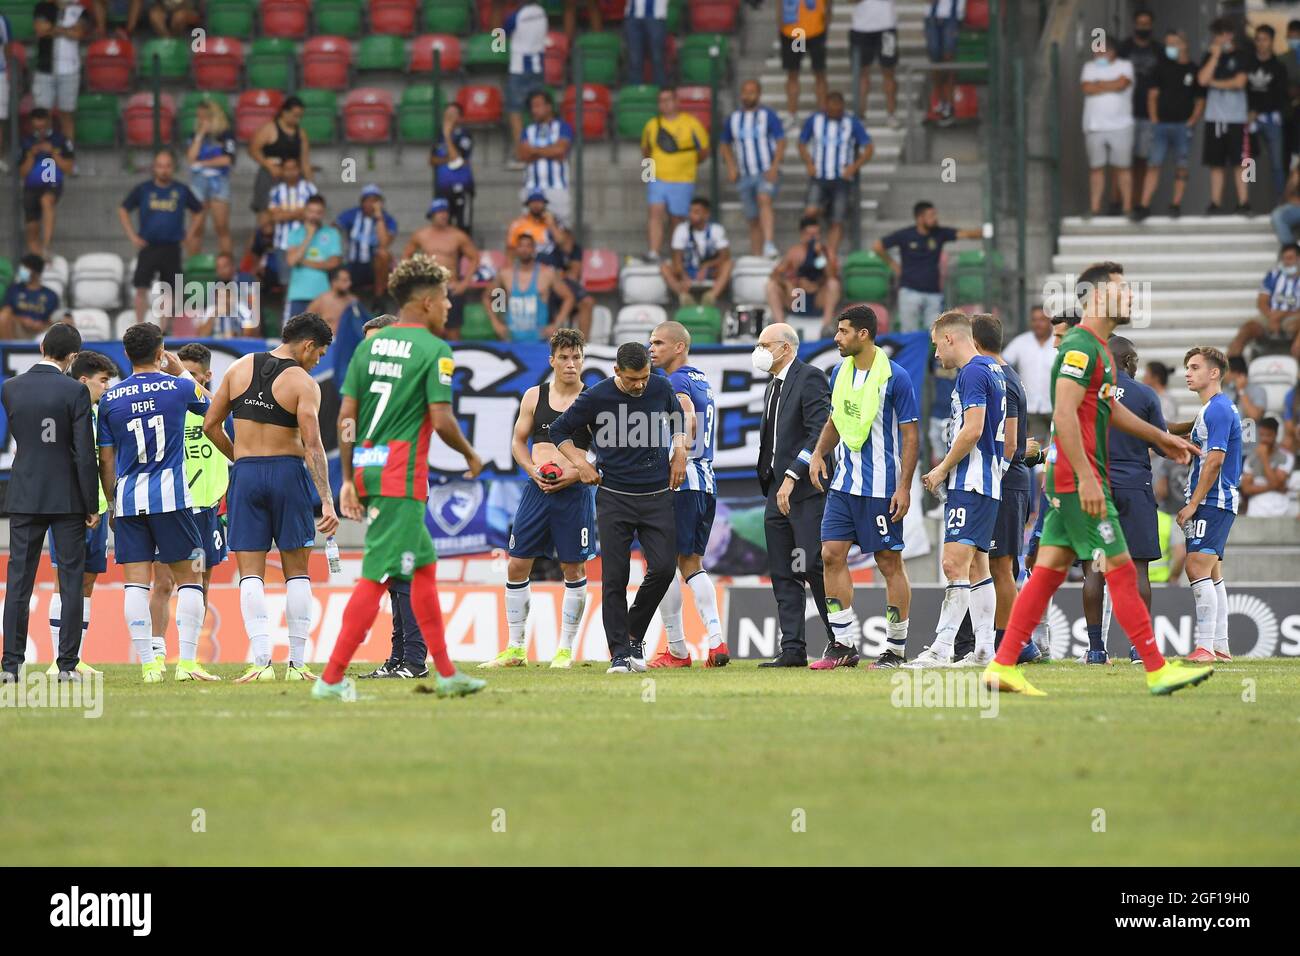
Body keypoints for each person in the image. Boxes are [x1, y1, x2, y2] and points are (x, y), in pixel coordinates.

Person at [984, 261, 1210, 697]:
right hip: (1078, 481)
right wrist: (1088, 480)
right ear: (1101, 297)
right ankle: (1156, 668)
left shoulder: (1100, 352)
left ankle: (1003, 664)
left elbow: (1113, 411)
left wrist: (1164, 437)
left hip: (1076, 480)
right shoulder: (1081, 350)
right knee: (1122, 569)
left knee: (1048, 573)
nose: (1130, 298)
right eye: (1124, 291)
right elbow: (1064, 414)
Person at [317, 255, 487, 700]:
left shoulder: (366, 348)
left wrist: (352, 475)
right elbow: (442, 417)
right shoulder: (435, 351)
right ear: (428, 302)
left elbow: (346, 417)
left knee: (424, 569)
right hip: (402, 473)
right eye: (447, 298)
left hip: (370, 466)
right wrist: (470, 454)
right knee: (377, 576)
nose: (450, 305)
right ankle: (331, 678)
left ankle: (447, 673)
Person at [202, 312, 339, 683]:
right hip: (287, 474)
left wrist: (240, 460)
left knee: (250, 573)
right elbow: (313, 446)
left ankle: (261, 662)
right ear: (307, 345)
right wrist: (327, 500)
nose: (318, 361)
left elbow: (209, 425)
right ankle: (296, 664)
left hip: (246, 475)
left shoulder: (239, 369)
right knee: (297, 572)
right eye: (320, 354)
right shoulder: (303, 383)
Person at [548, 342, 688, 673]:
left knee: (665, 568)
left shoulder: (660, 385)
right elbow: (559, 430)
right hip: (614, 497)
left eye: (643, 377)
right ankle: (619, 654)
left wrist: (680, 451)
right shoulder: (597, 396)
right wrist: (580, 463)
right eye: (632, 379)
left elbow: (678, 417)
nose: (640, 384)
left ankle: (632, 631)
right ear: (616, 372)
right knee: (615, 578)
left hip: (657, 496)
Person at [96, 324, 211, 683]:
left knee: (135, 583)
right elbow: (214, 405)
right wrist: (177, 370)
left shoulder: (110, 399)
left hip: (129, 500)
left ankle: (149, 666)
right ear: (161, 351)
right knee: (191, 578)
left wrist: (113, 502)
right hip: (173, 497)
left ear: (126, 355)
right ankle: (188, 663)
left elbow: (106, 459)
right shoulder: (178, 386)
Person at [806, 305, 918, 669]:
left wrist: (904, 488)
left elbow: (910, 436)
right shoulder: (840, 371)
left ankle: (895, 651)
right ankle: (843, 645)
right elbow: (836, 418)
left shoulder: (896, 377)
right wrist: (820, 453)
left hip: (882, 488)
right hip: (844, 484)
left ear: (863, 334)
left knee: (888, 563)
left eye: (842, 331)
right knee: (829, 555)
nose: (836, 338)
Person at [482, 328, 596, 669]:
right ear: (552, 360)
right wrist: (533, 470)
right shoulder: (534, 395)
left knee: (572, 566)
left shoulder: (593, 400)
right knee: (517, 563)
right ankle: (515, 649)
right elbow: (518, 442)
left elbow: (605, 454)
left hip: (574, 492)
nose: (571, 364)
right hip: (537, 489)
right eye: (564, 357)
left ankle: (564, 649)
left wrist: (573, 475)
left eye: (576, 357)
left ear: (583, 360)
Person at [907, 311, 1005, 668]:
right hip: (986, 481)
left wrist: (941, 468)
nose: (936, 355)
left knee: (953, 564)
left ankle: (942, 647)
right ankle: (983, 650)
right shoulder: (992, 369)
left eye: (936, 345)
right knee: (978, 567)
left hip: (971, 480)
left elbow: (973, 429)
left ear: (950, 338)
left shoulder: (974, 373)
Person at [1, 324, 98, 683]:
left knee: (19, 581)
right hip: (67, 497)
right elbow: (84, 454)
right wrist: (91, 503)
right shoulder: (76, 391)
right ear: (73, 357)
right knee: (70, 579)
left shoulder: (9, 388)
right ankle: (66, 665)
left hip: (25, 492)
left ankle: (11, 665)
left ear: (42, 346)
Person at [350, 315, 433, 679]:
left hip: (406, 487)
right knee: (394, 573)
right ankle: (400, 657)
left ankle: (414, 660)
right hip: (383, 489)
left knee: (404, 574)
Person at [951, 314, 1034, 666]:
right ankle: (1000, 643)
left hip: (1002, 482)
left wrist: (988, 476)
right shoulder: (1006, 375)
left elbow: (1011, 445)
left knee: (1000, 567)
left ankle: (1008, 645)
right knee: (989, 565)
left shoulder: (1000, 380)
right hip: (1008, 482)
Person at [1079, 335, 1166, 665]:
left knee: (1096, 569)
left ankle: (1095, 649)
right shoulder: (1145, 394)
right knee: (1138, 568)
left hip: (1097, 487)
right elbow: (1160, 444)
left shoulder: (1088, 394)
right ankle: (1138, 648)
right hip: (1134, 486)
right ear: (1129, 361)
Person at [647, 321, 729, 668]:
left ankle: (678, 650)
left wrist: (676, 450)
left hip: (681, 480)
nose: (651, 349)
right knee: (691, 563)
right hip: (705, 481)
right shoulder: (701, 380)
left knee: (660, 564)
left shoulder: (676, 380)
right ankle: (715, 642)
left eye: (659, 343)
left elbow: (688, 417)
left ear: (679, 347)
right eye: (650, 343)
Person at [752, 322, 833, 667]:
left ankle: (840, 640)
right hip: (775, 491)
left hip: (804, 490)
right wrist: (775, 481)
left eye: (763, 344)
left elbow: (819, 433)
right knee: (783, 571)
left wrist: (791, 475)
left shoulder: (810, 377)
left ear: (785, 347)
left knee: (814, 564)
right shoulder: (773, 386)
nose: (758, 351)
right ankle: (793, 650)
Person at [147, 343, 229, 682]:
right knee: (163, 583)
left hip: (208, 509)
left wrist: (182, 375)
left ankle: (189, 657)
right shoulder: (168, 407)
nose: (186, 381)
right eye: (182, 373)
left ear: (208, 376)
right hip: (170, 504)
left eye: (195, 375)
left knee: (202, 582)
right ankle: (155, 655)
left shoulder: (216, 408)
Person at [44, 350, 116, 677]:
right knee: (64, 580)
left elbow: (104, 461)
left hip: (96, 508)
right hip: (68, 508)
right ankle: (56, 658)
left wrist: (105, 504)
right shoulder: (60, 411)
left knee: (87, 582)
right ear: (84, 380)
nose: (106, 388)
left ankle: (77, 657)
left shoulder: (101, 413)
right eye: (102, 381)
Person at [1172, 346, 1242, 665]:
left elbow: (1214, 462)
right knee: (1212, 572)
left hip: (1215, 499)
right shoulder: (1213, 409)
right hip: (1216, 498)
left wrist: (1193, 504)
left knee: (1196, 565)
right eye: (1188, 367)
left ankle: (1205, 646)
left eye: (1195, 367)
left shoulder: (1217, 409)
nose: (1188, 372)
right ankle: (1220, 644)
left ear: (1214, 373)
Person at [118, 150, 203, 324]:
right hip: (148, 246)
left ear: (172, 168)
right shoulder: (144, 189)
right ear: (154, 168)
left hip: (171, 246)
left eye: (167, 166)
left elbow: (199, 211)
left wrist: (190, 234)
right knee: (141, 287)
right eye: (160, 166)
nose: (164, 170)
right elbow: (123, 209)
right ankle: (139, 325)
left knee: (169, 290)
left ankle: (162, 330)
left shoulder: (181, 190)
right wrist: (132, 236)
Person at [874, 200, 982, 333]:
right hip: (909, 291)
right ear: (920, 218)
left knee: (934, 334)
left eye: (935, 215)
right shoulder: (905, 235)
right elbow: (878, 246)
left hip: (933, 294)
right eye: (931, 215)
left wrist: (985, 231)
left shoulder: (939, 233)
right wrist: (894, 265)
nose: (935, 218)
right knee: (909, 334)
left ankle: (930, 355)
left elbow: (966, 234)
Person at [1137, 29, 1204, 220]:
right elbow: (1152, 95)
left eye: (1174, 43)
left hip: (1183, 126)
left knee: (1181, 166)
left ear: (1184, 44)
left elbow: (1200, 100)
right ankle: (1144, 205)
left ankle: (1175, 204)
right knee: (1153, 164)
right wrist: (1154, 119)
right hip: (1161, 125)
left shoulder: (1194, 69)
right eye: (1168, 44)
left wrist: (1192, 121)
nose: (1170, 48)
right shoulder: (1160, 67)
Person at [798, 92, 873, 258]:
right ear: (825, 106)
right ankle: (808, 249)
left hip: (841, 179)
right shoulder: (814, 120)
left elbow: (868, 148)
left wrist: (854, 167)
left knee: (837, 219)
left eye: (838, 110)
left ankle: (830, 256)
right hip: (819, 176)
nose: (835, 112)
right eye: (831, 109)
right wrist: (809, 163)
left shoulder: (851, 122)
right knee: (810, 212)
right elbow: (801, 142)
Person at [640, 88, 710, 262]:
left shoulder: (691, 123)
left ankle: (676, 256)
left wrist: (688, 165)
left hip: (683, 179)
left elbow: (704, 150)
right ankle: (654, 252)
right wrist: (648, 178)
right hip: (657, 177)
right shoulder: (652, 125)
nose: (665, 104)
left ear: (677, 101)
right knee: (655, 212)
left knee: (677, 218)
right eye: (661, 100)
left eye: (668, 99)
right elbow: (646, 151)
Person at [720, 80, 785, 258]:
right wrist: (731, 167)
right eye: (745, 92)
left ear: (759, 94)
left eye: (752, 92)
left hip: (765, 170)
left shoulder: (768, 115)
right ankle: (757, 255)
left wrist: (775, 166)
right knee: (752, 218)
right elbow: (724, 144)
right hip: (745, 173)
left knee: (764, 199)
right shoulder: (733, 118)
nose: (747, 95)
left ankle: (770, 244)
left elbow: (781, 140)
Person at [403, 199, 481, 340]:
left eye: (445, 212)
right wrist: (413, 280)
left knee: (453, 331)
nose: (443, 215)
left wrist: (465, 283)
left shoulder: (457, 236)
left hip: (450, 287)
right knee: (428, 329)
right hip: (428, 288)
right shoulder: (421, 235)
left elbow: (474, 257)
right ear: (432, 215)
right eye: (439, 212)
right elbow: (406, 256)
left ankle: (453, 359)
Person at [1198, 17, 1251, 215]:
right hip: (1215, 118)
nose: (1221, 38)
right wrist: (1214, 57)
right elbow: (1202, 79)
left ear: (1231, 34)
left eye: (1224, 34)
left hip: (1237, 118)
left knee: (1244, 162)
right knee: (1216, 163)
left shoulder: (1242, 56)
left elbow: (1239, 82)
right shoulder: (1209, 55)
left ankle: (1244, 201)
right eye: (1217, 35)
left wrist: (1216, 83)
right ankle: (1215, 203)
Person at [1081, 34, 1136, 217]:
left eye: (1103, 50)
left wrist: (1100, 84)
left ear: (1112, 51)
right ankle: (1094, 208)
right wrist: (1110, 84)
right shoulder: (1089, 67)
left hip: (1121, 126)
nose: (1099, 54)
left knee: (1122, 168)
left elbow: (1122, 84)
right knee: (1096, 168)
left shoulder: (1125, 66)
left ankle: (1127, 207)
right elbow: (1087, 87)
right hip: (1094, 125)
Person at [485, 233, 574, 342]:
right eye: (521, 246)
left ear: (534, 250)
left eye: (528, 246)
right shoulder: (505, 274)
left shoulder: (546, 273)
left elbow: (569, 297)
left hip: (539, 340)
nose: (524, 249)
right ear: (516, 250)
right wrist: (496, 323)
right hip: (512, 340)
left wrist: (556, 324)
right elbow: (487, 297)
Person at [765, 215, 841, 334]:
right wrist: (787, 284)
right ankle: (780, 329)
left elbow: (832, 276)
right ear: (802, 234)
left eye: (816, 234)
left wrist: (821, 254)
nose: (813, 237)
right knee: (771, 286)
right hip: (797, 298)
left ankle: (826, 327)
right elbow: (774, 275)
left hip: (818, 298)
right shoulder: (794, 252)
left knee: (833, 284)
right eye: (809, 234)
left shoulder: (826, 252)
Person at [1117, 8, 1160, 214]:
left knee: (1143, 160)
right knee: (1122, 161)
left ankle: (1138, 203)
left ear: (1151, 25)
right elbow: (1104, 63)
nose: (1143, 27)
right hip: (1123, 113)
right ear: (1134, 24)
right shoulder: (1123, 48)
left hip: (1148, 113)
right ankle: (1117, 202)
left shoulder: (1159, 50)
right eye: (1140, 24)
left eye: (1147, 24)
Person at [18, 107, 74, 257]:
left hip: (52, 182)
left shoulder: (61, 140)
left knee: (46, 201)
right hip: (31, 187)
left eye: (43, 127)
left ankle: (46, 246)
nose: (40, 130)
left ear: (49, 123)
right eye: (37, 127)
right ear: (31, 125)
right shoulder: (26, 142)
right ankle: (36, 258)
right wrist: (31, 154)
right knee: (32, 229)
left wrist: (53, 152)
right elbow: (22, 173)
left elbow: (68, 168)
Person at [184, 97, 236, 257]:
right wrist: (200, 135)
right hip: (198, 182)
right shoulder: (194, 136)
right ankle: (193, 265)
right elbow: (191, 158)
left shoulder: (226, 135)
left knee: (221, 226)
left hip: (219, 181)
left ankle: (226, 268)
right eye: (199, 116)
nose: (202, 120)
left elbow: (227, 160)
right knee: (197, 226)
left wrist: (203, 163)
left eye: (206, 116)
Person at [33, 0, 88, 146]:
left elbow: (78, 33)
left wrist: (54, 30)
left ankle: (67, 155)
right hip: (44, 69)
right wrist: (66, 30)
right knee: (43, 115)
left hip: (70, 70)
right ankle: (44, 157)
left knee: (67, 115)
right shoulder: (42, 7)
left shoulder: (80, 10)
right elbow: (40, 30)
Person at [1231, 244, 1300, 360]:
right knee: (1246, 329)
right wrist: (1272, 317)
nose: (1286, 262)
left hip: (1295, 316)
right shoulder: (1273, 275)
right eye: (1284, 258)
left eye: (1290, 258)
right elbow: (1262, 301)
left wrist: (1281, 315)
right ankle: (1232, 370)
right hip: (1270, 314)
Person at [662, 196, 732, 307]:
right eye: (690, 211)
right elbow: (677, 259)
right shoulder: (681, 229)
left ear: (706, 214)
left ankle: (711, 297)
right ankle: (684, 296)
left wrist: (706, 266)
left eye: (696, 212)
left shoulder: (716, 230)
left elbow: (725, 256)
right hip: (687, 269)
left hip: (710, 271)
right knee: (665, 267)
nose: (691, 215)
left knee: (728, 265)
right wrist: (684, 276)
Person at [283, 195, 343, 322]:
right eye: (311, 211)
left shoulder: (332, 233)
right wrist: (309, 237)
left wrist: (304, 262)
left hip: (322, 294)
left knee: (321, 337)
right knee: (294, 337)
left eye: (318, 212)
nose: (314, 216)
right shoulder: (295, 234)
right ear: (305, 211)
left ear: (323, 214)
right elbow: (292, 261)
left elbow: (334, 262)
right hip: (298, 294)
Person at [249, 96, 312, 218]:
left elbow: (304, 161)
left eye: (300, 116)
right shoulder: (269, 129)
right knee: (265, 213)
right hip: (271, 175)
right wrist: (269, 166)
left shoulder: (301, 134)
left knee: (294, 209)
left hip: (292, 177)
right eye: (295, 115)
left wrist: (309, 183)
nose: (297, 120)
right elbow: (253, 150)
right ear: (284, 112)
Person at [518, 90, 574, 224]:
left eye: (538, 106)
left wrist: (534, 151)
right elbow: (524, 155)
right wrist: (551, 150)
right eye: (532, 107)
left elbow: (561, 151)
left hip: (557, 188)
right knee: (531, 230)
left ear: (548, 107)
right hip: (531, 188)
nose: (534, 110)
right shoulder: (528, 130)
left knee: (560, 228)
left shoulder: (562, 127)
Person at [1248, 24, 1289, 198]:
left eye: (1264, 39)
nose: (1260, 43)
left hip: (1271, 120)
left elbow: (1279, 96)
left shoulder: (1279, 67)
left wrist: (1257, 111)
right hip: (1249, 121)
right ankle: (1245, 200)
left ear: (1272, 41)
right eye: (1257, 39)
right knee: (1248, 162)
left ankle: (1281, 201)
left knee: (1277, 164)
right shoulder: (1247, 64)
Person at [1001, 305, 1056, 438]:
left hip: (1055, 405)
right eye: (1034, 320)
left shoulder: (1058, 340)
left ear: (1050, 320)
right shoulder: (1022, 342)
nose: (1038, 324)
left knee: (1057, 447)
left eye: (1042, 319)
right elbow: (1002, 363)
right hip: (1030, 406)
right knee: (1036, 447)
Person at [503, 1, 549, 160]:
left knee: (515, 112)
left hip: (519, 68)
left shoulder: (516, 16)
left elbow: (498, 43)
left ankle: (521, 153)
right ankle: (542, 148)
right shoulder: (542, 12)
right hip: (538, 67)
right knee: (538, 109)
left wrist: (497, 26)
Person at [335, 184, 396, 301]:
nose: (371, 204)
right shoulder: (352, 214)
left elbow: (384, 244)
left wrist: (379, 217)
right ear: (362, 202)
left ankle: (379, 298)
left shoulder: (387, 219)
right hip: (353, 263)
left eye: (375, 201)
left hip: (373, 265)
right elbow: (333, 228)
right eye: (368, 200)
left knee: (383, 254)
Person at [265, 155, 318, 286]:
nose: (290, 172)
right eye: (287, 169)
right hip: (282, 243)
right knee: (286, 282)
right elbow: (275, 217)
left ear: (299, 169)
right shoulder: (276, 191)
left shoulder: (310, 188)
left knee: (308, 281)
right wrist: (300, 212)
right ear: (282, 170)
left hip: (306, 242)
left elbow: (313, 214)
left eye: (293, 168)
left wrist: (285, 213)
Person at [539, 220, 595, 340]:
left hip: (566, 285)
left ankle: (583, 343)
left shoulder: (575, 249)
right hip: (548, 286)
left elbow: (573, 275)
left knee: (587, 301)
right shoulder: (546, 249)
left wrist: (559, 275)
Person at [850, 0, 900, 128]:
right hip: (861, 29)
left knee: (889, 71)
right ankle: (860, 114)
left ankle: (891, 114)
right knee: (862, 72)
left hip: (887, 28)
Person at [429, 103, 476, 233]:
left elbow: (458, 160)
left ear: (460, 118)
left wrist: (447, 136)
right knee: (442, 228)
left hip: (462, 188)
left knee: (463, 227)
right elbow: (432, 160)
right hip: (442, 188)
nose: (449, 117)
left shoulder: (464, 135)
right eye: (447, 114)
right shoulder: (438, 136)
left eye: (452, 114)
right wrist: (447, 159)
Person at [780, 0, 829, 124]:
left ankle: (823, 112)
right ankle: (792, 114)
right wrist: (780, 23)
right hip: (795, 31)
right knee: (793, 72)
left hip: (816, 29)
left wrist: (826, 21)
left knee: (819, 72)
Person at [1240, 416, 1293, 516]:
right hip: (1256, 509)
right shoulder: (1251, 458)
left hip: (1280, 509)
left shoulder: (1286, 456)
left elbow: (1276, 482)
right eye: (1262, 435)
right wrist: (1273, 486)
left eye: (1268, 435)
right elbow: (1246, 489)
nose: (1264, 439)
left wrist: (1264, 458)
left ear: (1276, 435)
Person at [197, 252, 258, 337]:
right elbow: (201, 335)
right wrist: (215, 314)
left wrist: (234, 334)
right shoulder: (212, 308)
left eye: (224, 266)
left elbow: (249, 332)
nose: (221, 270)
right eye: (218, 267)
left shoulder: (246, 281)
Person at [0, 255, 61, 339]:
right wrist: (22, 320)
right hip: (18, 330)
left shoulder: (51, 295)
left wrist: (39, 324)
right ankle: (8, 350)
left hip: (41, 332)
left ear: (35, 272)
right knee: (3, 317)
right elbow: (6, 312)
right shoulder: (14, 289)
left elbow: (53, 319)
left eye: (24, 268)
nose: (21, 271)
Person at [924, 0, 965, 125]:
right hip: (932, 16)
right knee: (935, 60)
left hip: (952, 16)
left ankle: (949, 103)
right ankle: (940, 100)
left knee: (948, 59)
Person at [624, 0, 667, 88]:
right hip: (632, 17)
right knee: (634, 58)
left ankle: (660, 92)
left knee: (657, 57)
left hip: (656, 16)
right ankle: (636, 91)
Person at [307, 266, 362, 334]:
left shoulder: (353, 301)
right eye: (344, 281)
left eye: (349, 280)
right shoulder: (321, 300)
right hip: (328, 340)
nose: (349, 284)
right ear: (334, 282)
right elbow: (308, 322)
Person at [128, 0, 201, 36]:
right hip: (164, 9)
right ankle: (168, 42)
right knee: (154, 15)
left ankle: (177, 44)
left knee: (179, 17)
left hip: (187, 9)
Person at [1144, 359, 1178, 424]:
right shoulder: (1153, 397)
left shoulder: (1166, 401)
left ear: (1156, 378)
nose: (1144, 377)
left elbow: (1163, 425)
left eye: (1147, 373)